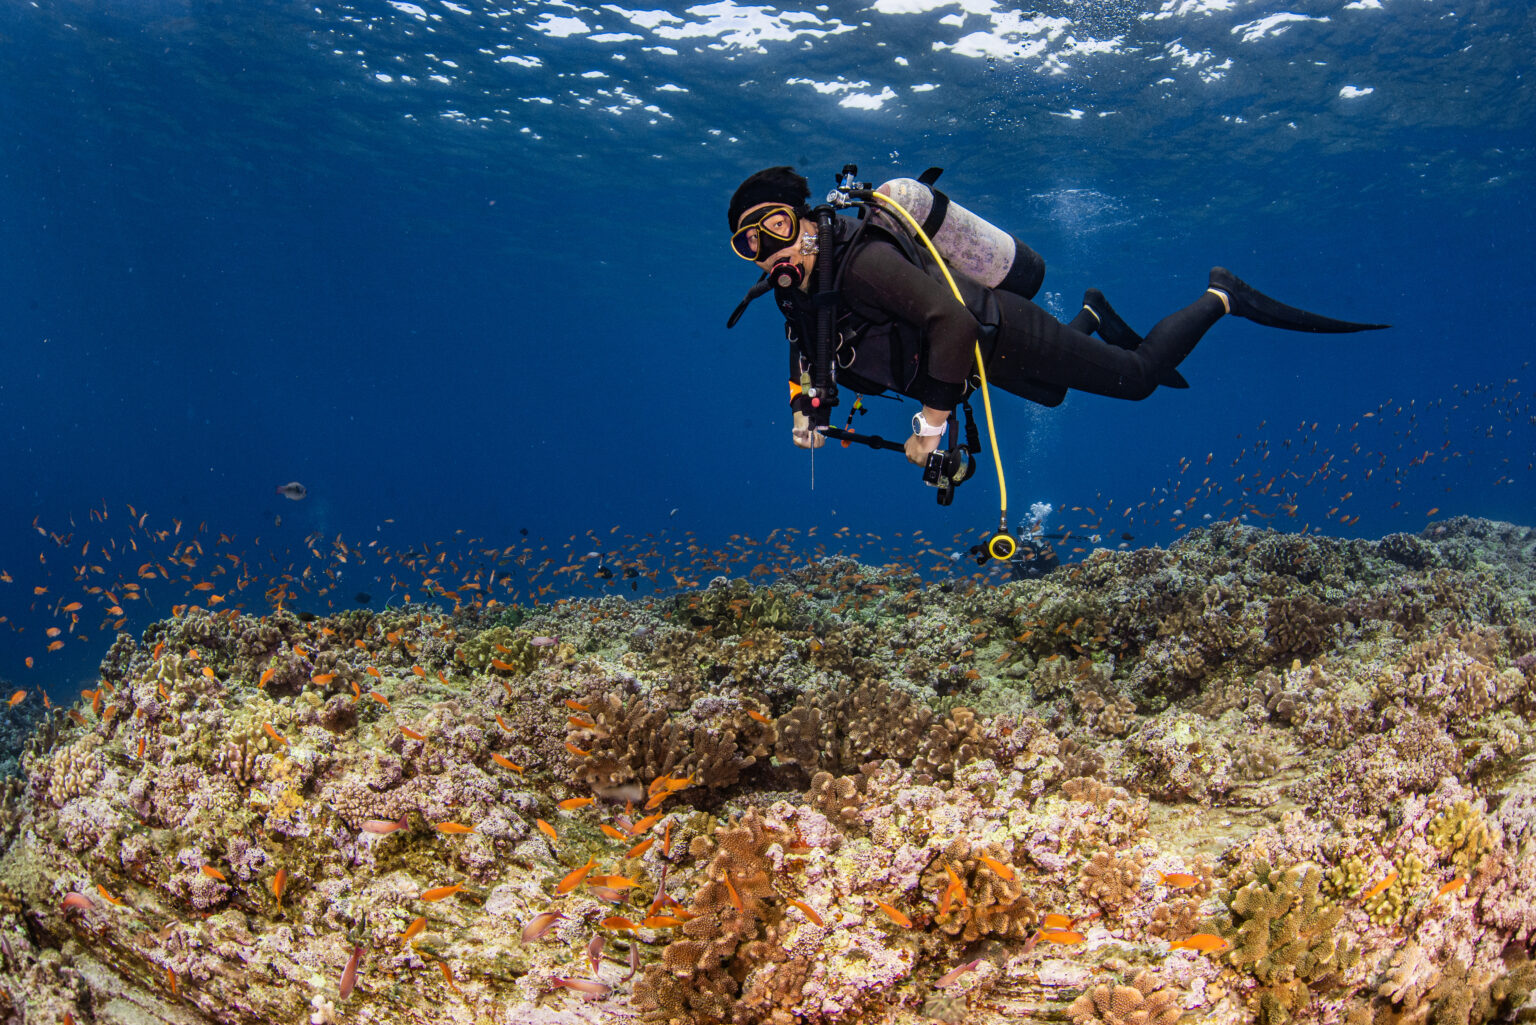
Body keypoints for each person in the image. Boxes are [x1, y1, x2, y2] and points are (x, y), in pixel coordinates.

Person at [727, 166, 1387, 467]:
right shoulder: (798, 291)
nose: (770, 251)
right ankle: (1092, 313)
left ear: (808, 220)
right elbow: (807, 351)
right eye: (750, 244)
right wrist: (805, 413)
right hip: (981, 363)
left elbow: (951, 325)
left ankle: (1223, 295)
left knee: (1135, 379)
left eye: (776, 227)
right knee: (1051, 391)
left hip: (995, 329)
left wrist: (928, 430)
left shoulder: (864, 264)